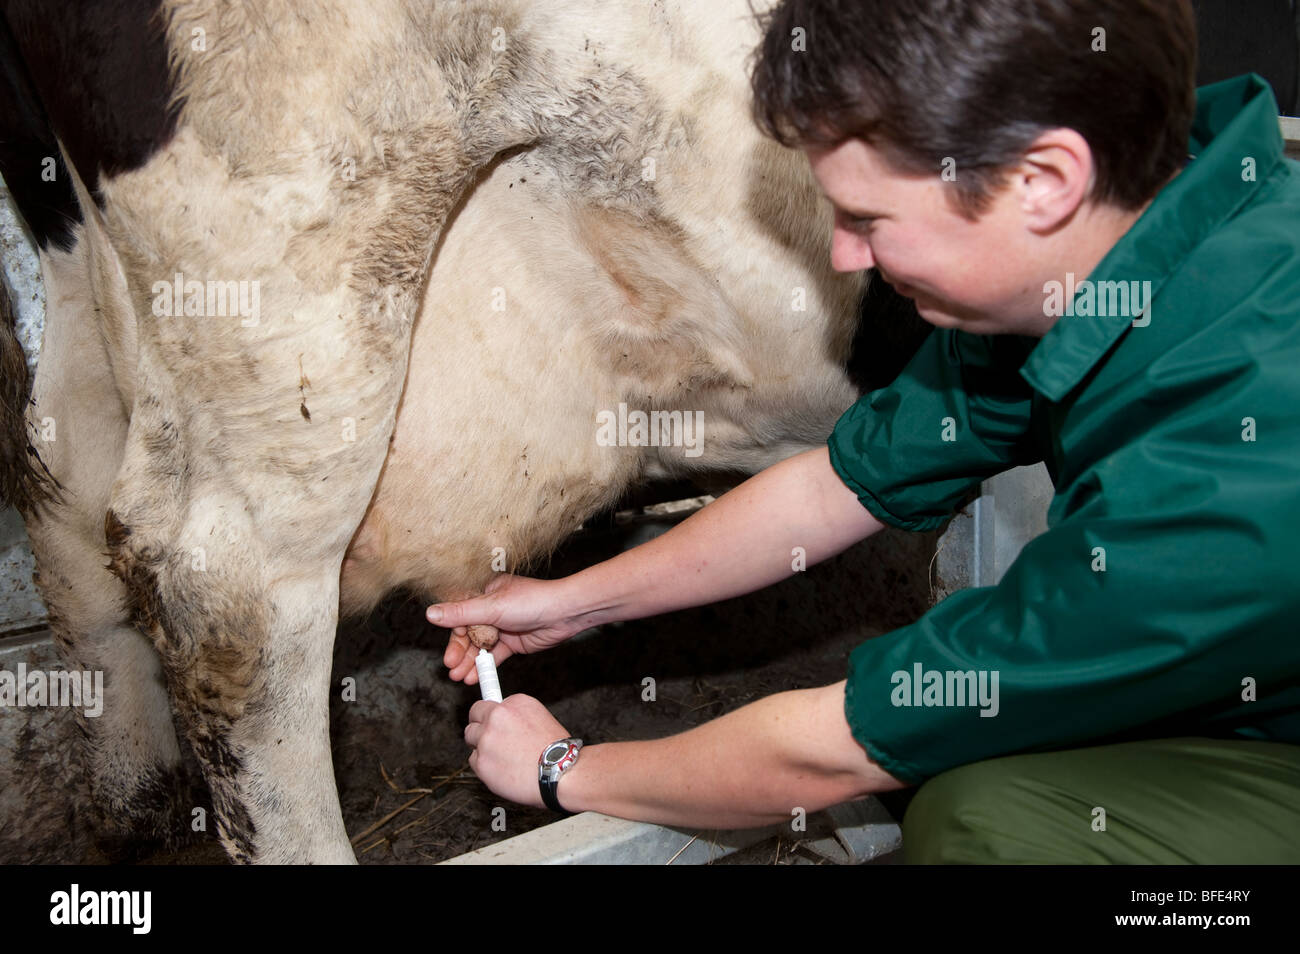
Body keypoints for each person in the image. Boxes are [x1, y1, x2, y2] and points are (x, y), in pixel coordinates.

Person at [426, 0, 1300, 862]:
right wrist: (572, 605)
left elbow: (834, 748)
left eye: (869, 220)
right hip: (1237, 691)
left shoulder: (1236, 455)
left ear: (1042, 181)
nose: (846, 256)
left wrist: (561, 769)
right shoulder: (1112, 246)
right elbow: (837, 485)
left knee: (987, 825)